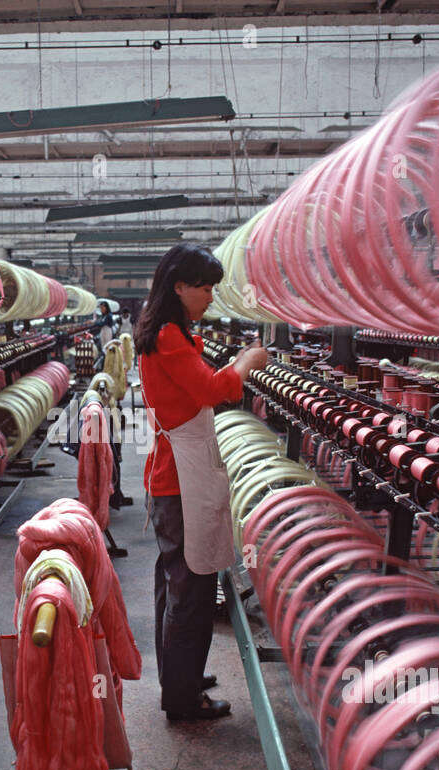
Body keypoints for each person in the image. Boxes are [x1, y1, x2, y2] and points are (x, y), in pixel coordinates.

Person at [135, 242, 268, 721]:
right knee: (190, 591)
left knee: (176, 583)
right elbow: (211, 389)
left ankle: (181, 675)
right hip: (179, 479)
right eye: (205, 288)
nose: (211, 296)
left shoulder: (170, 332)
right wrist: (246, 364)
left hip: (176, 470)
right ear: (180, 287)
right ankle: (182, 699)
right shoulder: (170, 335)